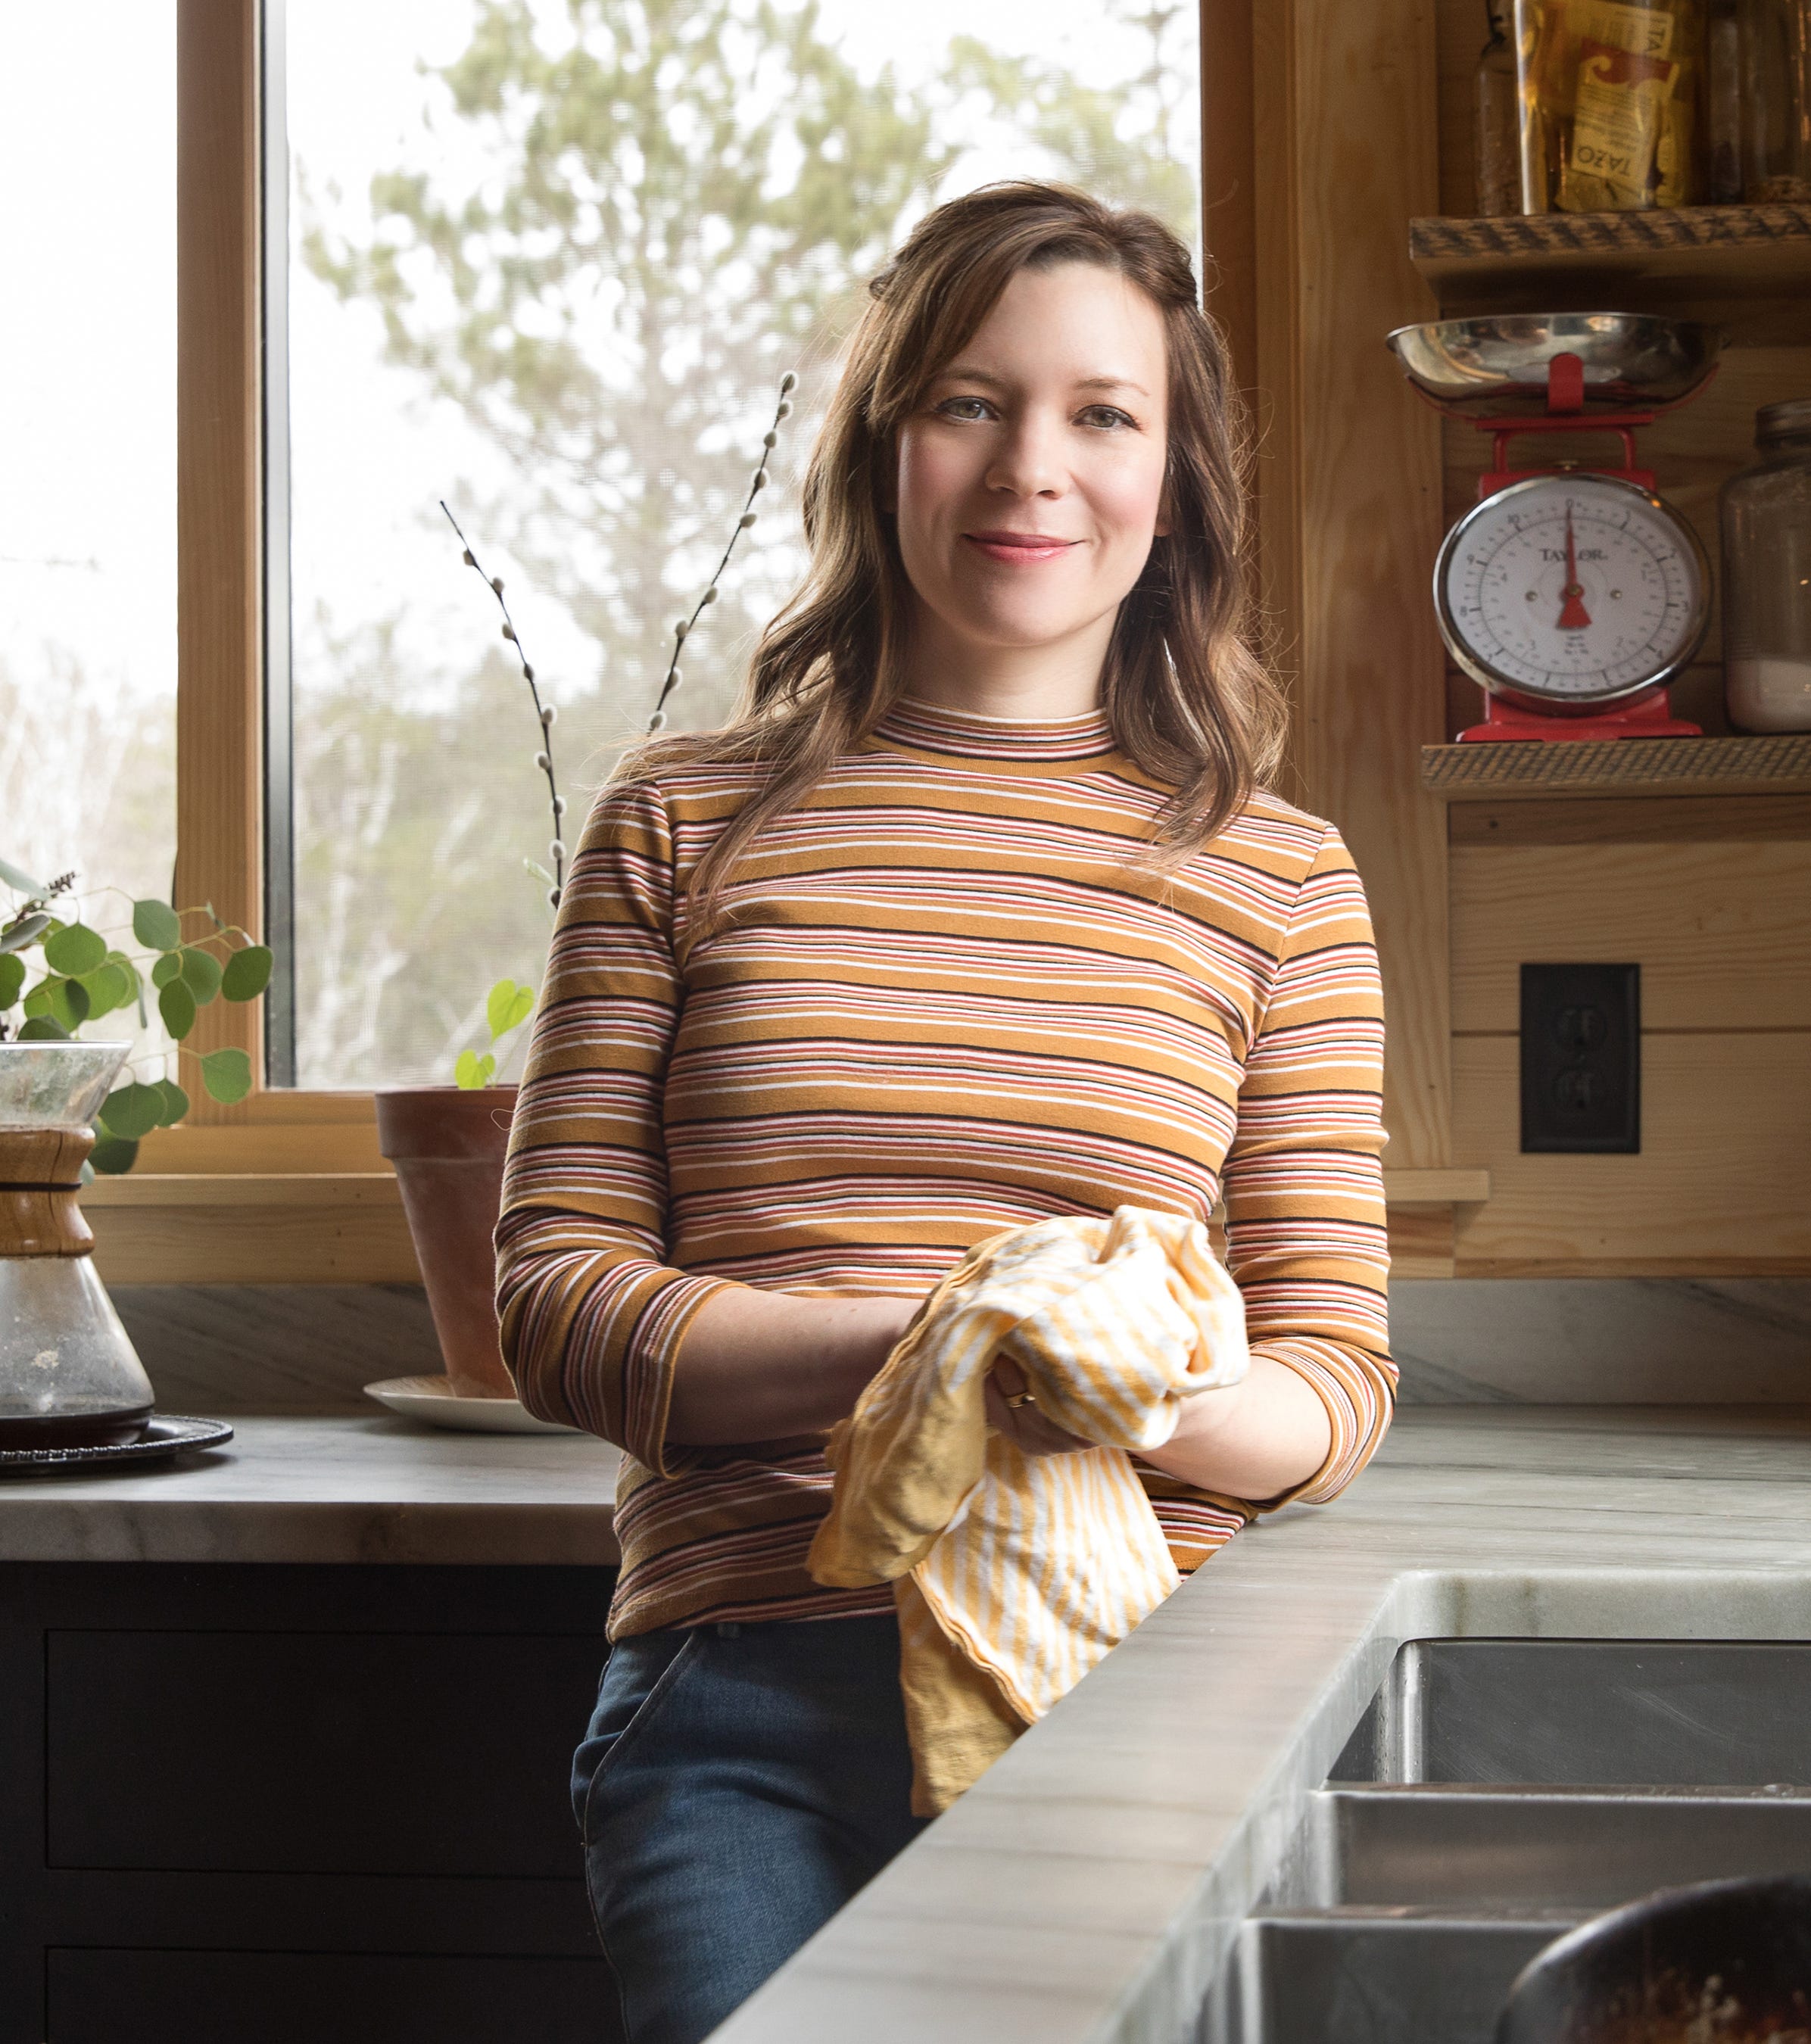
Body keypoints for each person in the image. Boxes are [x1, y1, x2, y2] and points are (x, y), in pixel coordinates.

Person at [496, 179, 1392, 2044]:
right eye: (969, 402)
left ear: (1174, 477)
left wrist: (1135, 1383)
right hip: (740, 1699)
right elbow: (558, 1303)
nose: (1029, 470)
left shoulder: (1278, 879)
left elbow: (1329, 1392)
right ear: (884, 444)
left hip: (1127, 1708)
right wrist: (947, 1353)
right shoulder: (680, 822)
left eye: (1099, 413)